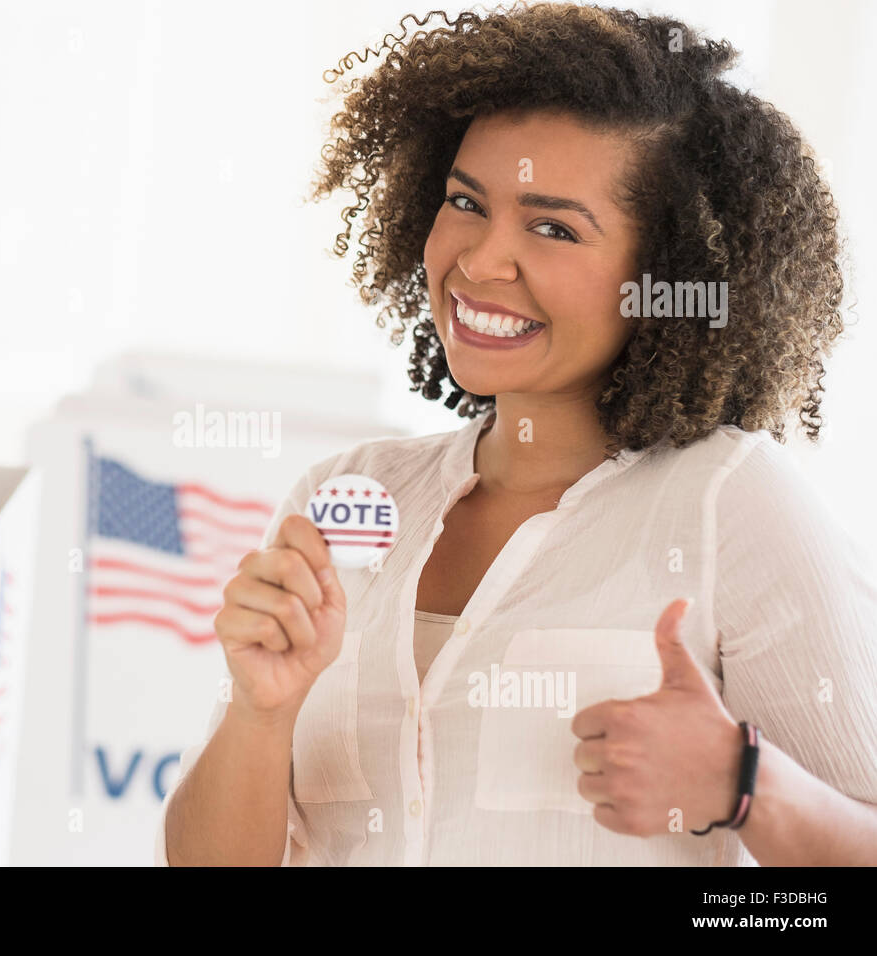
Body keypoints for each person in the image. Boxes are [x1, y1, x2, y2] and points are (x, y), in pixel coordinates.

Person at [158, 3, 877, 865]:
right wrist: (261, 711)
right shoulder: (347, 497)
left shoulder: (731, 503)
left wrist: (743, 783)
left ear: (667, 273)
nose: (481, 261)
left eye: (553, 227)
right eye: (466, 202)